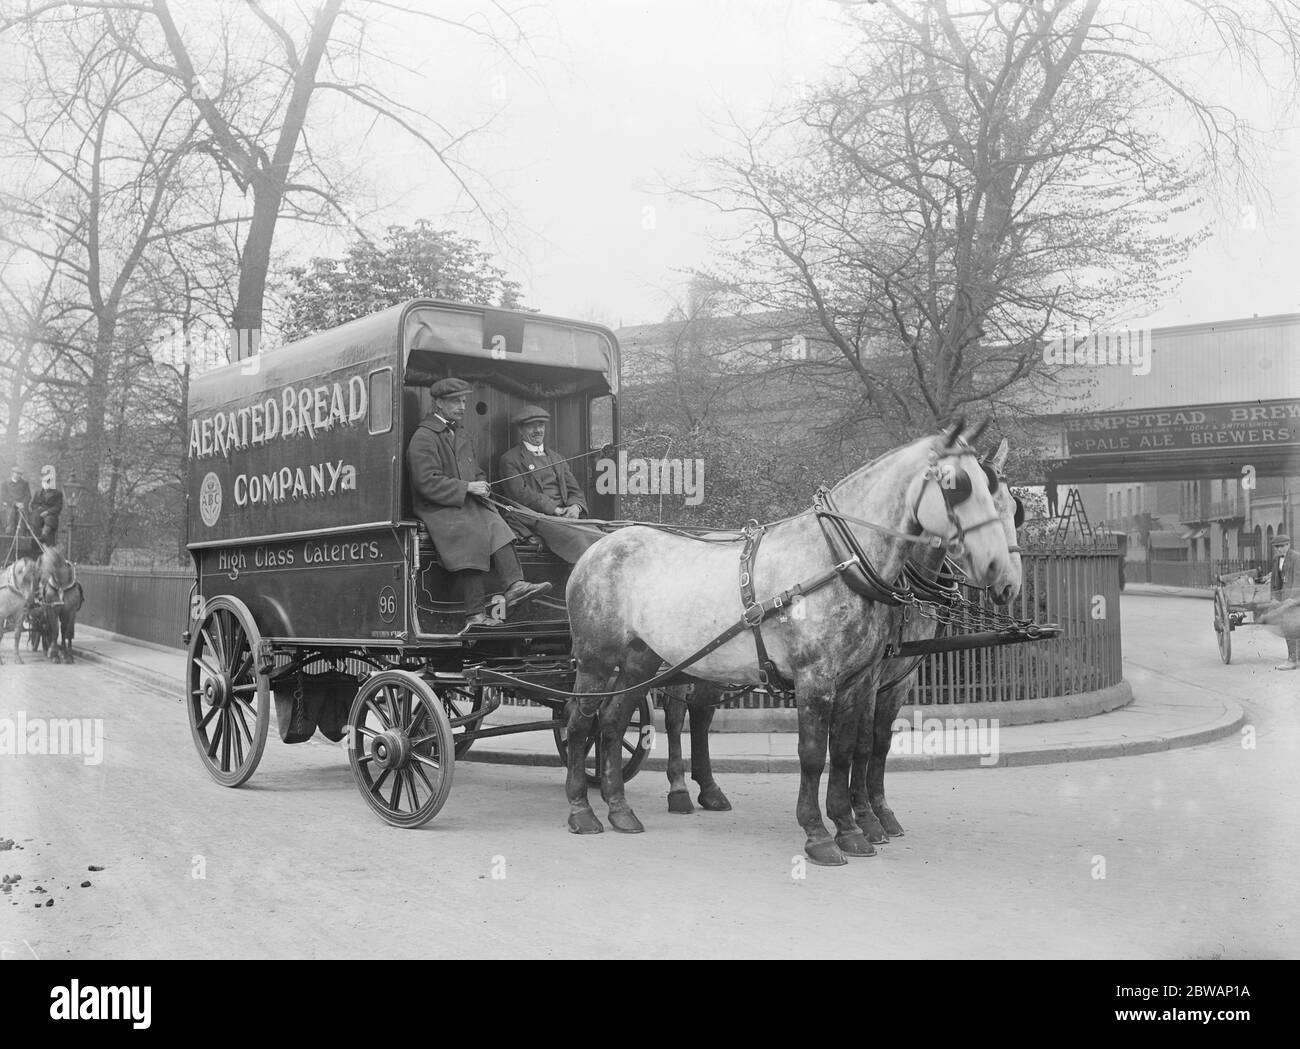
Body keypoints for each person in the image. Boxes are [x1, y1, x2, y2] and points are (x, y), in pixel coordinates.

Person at [406, 378, 551, 631]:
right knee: (471, 532)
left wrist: (481, 485)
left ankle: (514, 586)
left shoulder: (461, 433)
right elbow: (425, 483)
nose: (462, 406)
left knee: (497, 523)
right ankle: (474, 615)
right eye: (455, 401)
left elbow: (477, 471)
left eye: (464, 401)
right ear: (439, 403)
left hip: (465, 502)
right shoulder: (424, 437)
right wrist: (467, 488)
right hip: (438, 507)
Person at [497, 405, 600, 564]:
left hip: (566, 516)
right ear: (521, 430)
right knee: (578, 540)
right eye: (531, 426)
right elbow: (520, 494)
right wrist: (555, 509)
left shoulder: (557, 458)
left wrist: (575, 507)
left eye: (541, 425)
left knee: (600, 538)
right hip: (536, 517)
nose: (538, 430)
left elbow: (575, 490)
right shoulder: (510, 459)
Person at [1270, 533, 1299, 670]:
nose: (1279, 549)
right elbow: (1275, 581)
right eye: (1277, 547)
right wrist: (1274, 598)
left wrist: (1291, 599)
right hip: (1283, 598)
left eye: (1282, 546)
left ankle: (1292, 660)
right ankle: (1294, 658)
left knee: (1290, 628)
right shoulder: (1276, 559)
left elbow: (1298, 580)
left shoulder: (1296, 558)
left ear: (1288, 545)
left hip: (1295, 599)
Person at [29, 474, 63, 545]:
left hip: (50, 514)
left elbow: (58, 507)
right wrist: (38, 508)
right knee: (35, 517)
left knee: (49, 520)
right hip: (39, 514)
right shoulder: (38, 492)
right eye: (43, 482)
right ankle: (36, 538)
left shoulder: (57, 494)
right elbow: (33, 504)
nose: (45, 484)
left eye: (47, 482)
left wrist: (47, 512)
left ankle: (43, 536)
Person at [4, 466, 31, 536]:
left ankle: (22, 542)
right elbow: (5, 496)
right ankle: (9, 541)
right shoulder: (5, 483)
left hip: (22, 507)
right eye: (17, 473)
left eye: (20, 474)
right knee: (10, 522)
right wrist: (15, 503)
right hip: (10, 506)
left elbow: (28, 495)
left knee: (22, 525)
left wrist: (23, 504)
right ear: (12, 473)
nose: (19, 475)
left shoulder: (25, 483)